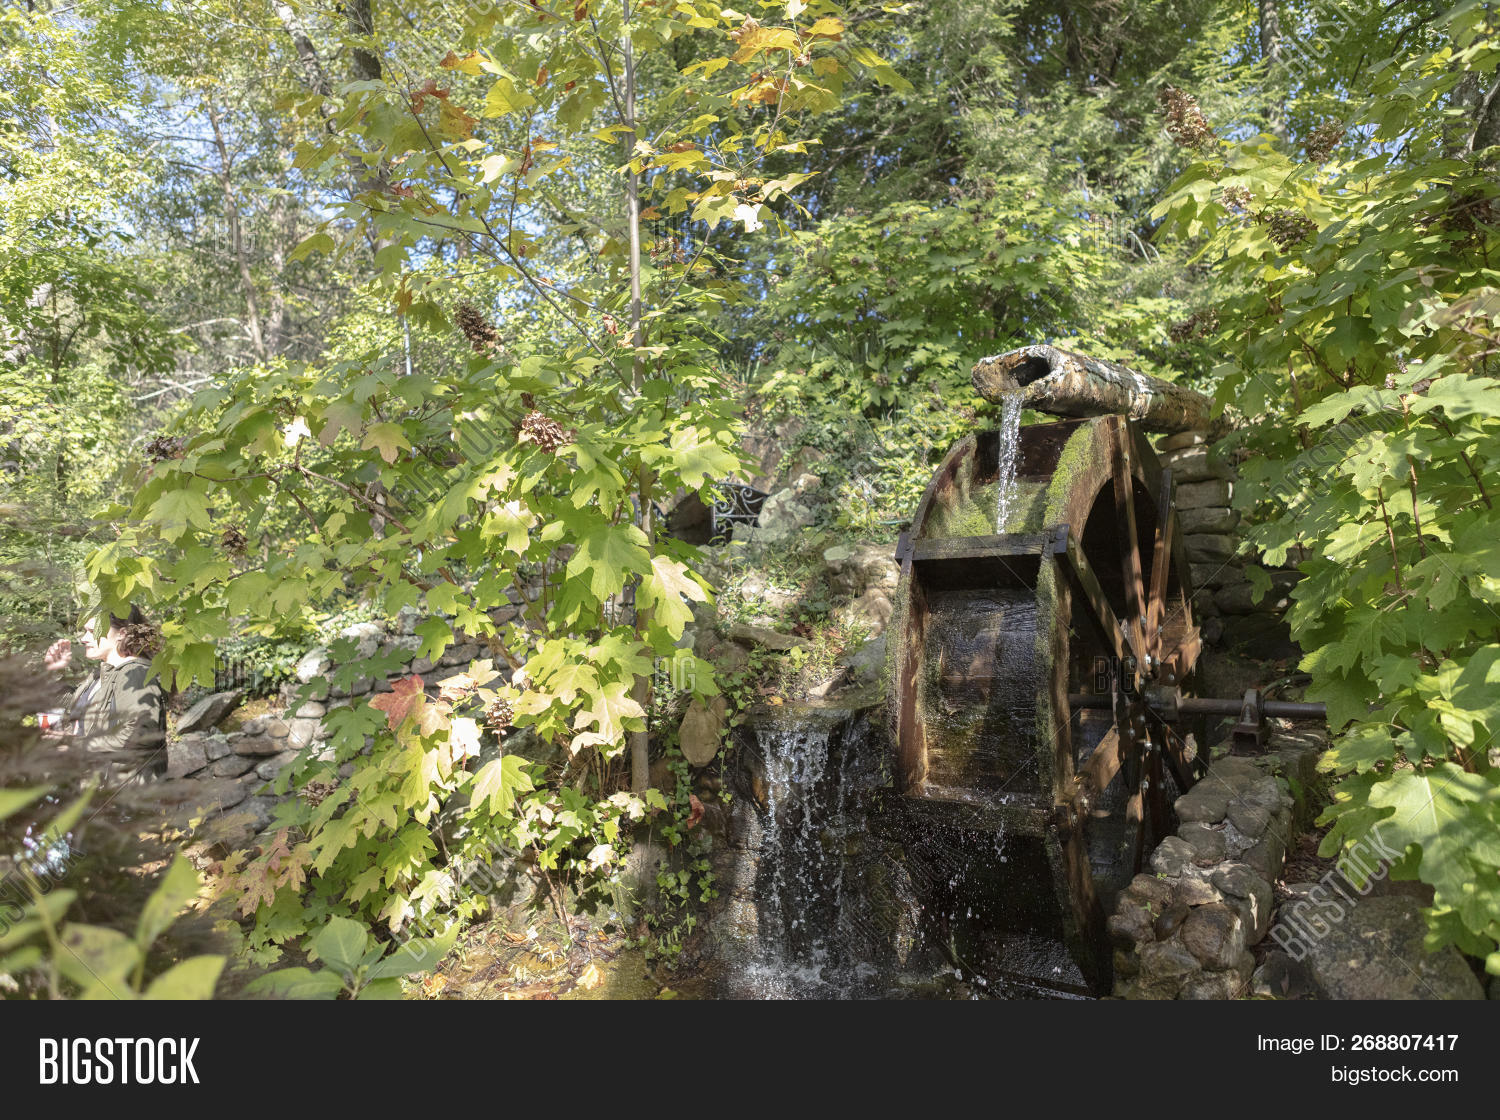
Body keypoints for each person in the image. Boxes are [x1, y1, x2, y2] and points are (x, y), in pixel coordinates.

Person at [42, 606, 166, 783]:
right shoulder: (99, 676)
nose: (84, 639)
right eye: (85, 631)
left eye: (92, 631)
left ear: (122, 633)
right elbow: (73, 707)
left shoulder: (135, 673)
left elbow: (139, 735)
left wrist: (74, 743)